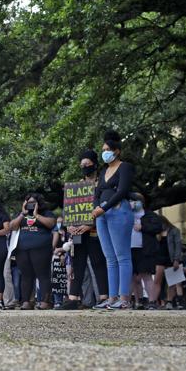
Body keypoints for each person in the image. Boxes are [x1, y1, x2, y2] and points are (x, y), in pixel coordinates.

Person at [59, 150, 110, 310]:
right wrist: (69, 226)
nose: (85, 167)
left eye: (87, 164)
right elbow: (68, 210)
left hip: (96, 229)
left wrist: (89, 224)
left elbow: (105, 206)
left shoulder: (103, 184)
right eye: (82, 165)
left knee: (98, 262)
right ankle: (73, 298)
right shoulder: (76, 187)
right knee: (77, 263)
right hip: (78, 232)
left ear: (95, 164)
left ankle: (104, 297)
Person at [91, 130, 135, 310]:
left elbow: (122, 191)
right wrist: (96, 208)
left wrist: (104, 207)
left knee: (122, 256)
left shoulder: (125, 167)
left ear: (116, 151)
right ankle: (112, 297)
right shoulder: (103, 171)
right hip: (102, 214)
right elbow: (97, 192)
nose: (104, 153)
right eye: (102, 150)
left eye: (107, 149)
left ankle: (124, 298)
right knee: (110, 258)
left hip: (118, 211)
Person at [11, 194, 57, 309]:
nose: (30, 204)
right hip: (22, 250)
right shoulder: (22, 214)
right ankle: (26, 301)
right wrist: (23, 214)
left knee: (43, 275)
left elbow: (51, 224)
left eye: (33, 202)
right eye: (28, 202)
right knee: (26, 276)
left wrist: (36, 214)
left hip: (41, 249)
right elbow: (12, 226)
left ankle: (45, 302)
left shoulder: (46, 213)